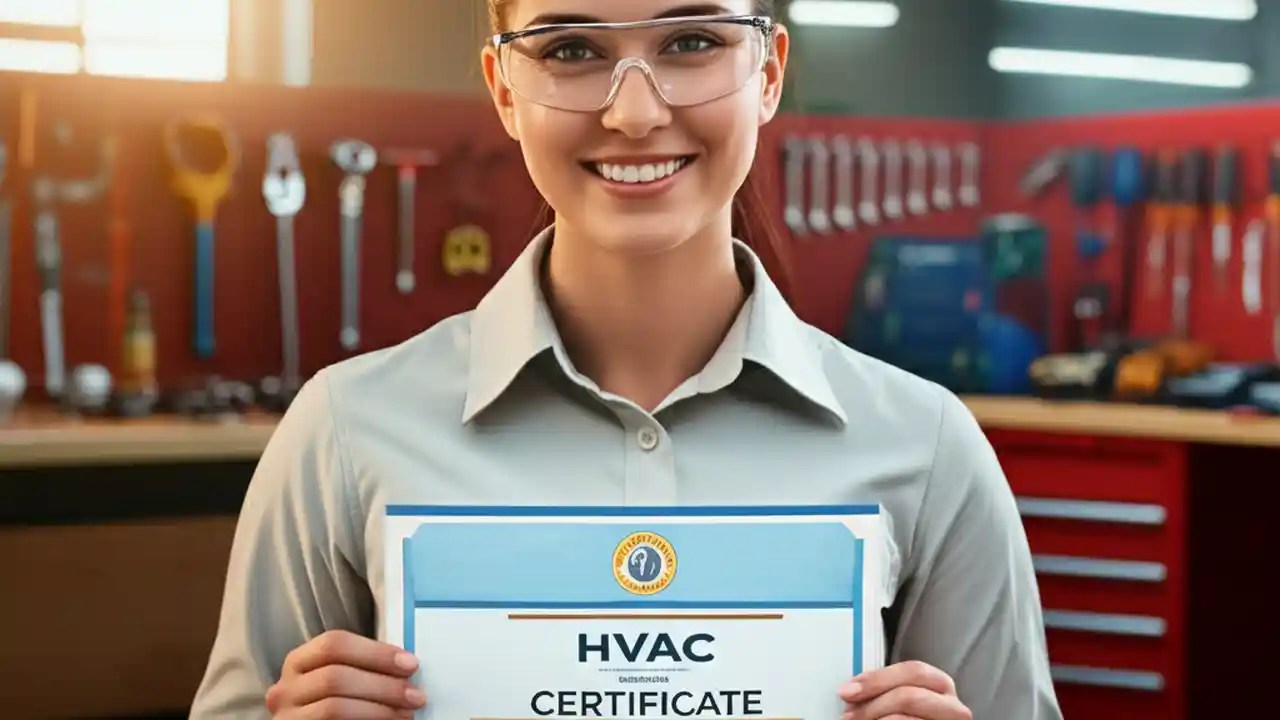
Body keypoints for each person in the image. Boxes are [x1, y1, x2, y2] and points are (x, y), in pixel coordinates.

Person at [190, 1, 1062, 718]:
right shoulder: (345, 433)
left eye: (691, 42)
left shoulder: (929, 447)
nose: (635, 112)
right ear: (503, 87)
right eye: (570, 49)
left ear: (768, 72)